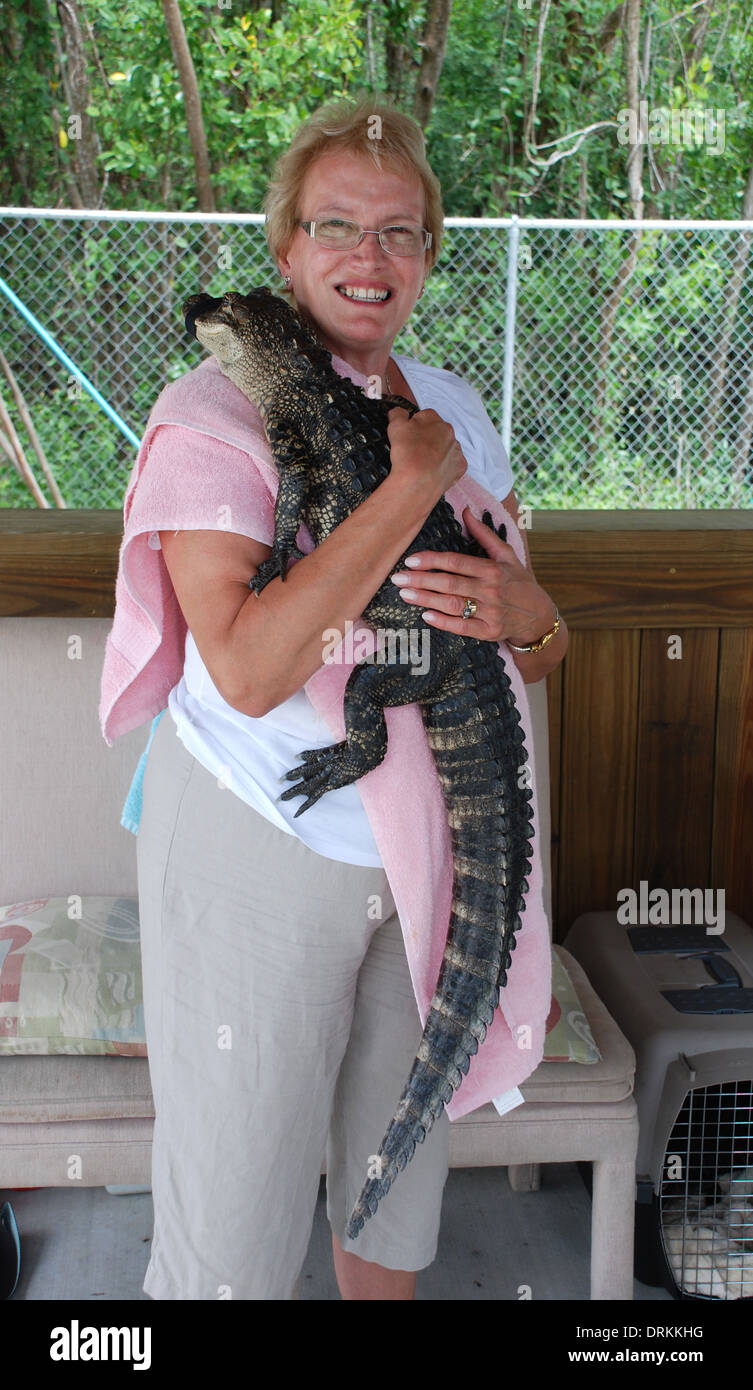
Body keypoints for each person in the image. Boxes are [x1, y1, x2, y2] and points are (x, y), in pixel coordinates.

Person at [108, 95, 568, 1302]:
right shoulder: (211, 421)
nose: (370, 258)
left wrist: (536, 618)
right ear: (287, 249)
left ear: (426, 254)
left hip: (426, 851)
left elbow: (528, 630)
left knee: (391, 1173)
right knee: (234, 1221)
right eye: (336, 226)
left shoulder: (455, 407)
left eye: (400, 231)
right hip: (262, 842)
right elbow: (257, 670)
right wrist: (408, 478)